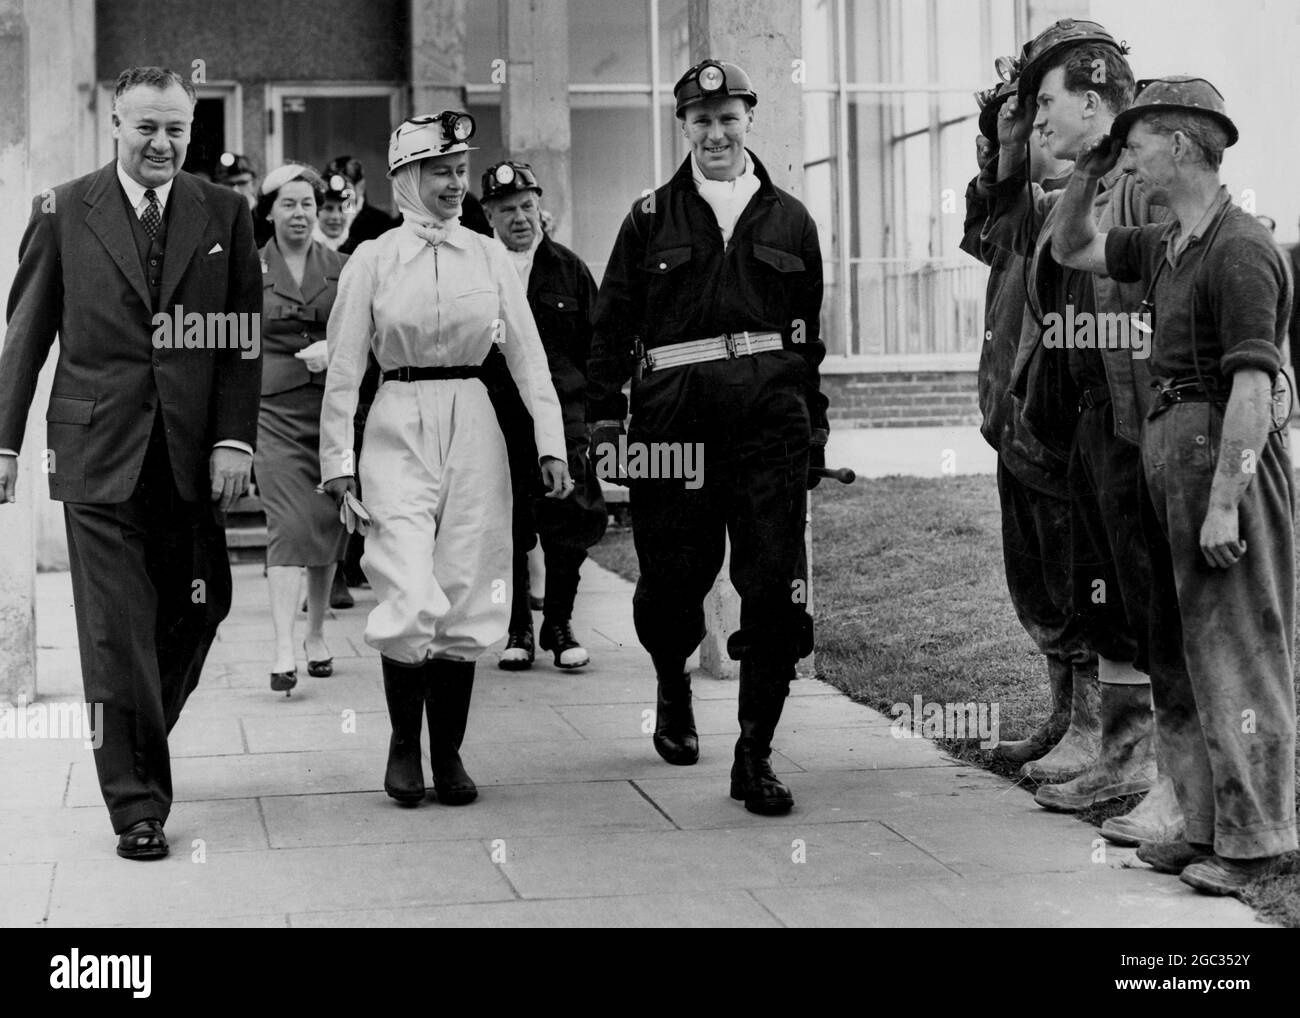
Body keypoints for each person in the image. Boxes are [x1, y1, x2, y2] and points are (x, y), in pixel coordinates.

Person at [0, 67, 262, 859]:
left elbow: (240, 337)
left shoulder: (224, 212)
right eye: (146, 127)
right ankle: (137, 803)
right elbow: (26, 335)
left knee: (202, 606)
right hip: (96, 452)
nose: (162, 143)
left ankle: (137, 733)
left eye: (176, 129)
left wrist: (234, 438)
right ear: (115, 124)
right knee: (115, 634)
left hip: (188, 456)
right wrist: (5, 442)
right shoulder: (62, 210)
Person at [1053, 77, 1296, 896]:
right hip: (1169, 453)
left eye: (1137, 144)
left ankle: (1256, 843)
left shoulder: (1241, 248)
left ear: (1184, 145)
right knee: (1181, 653)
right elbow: (1071, 248)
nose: (1128, 160)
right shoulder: (1166, 241)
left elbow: (1255, 389)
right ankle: (1201, 825)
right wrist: (1087, 174)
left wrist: (1225, 502)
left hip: (1223, 461)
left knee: (1237, 656)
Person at [587, 59, 827, 816]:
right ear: (684, 126)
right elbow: (610, 330)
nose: (716, 133)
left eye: (728, 118)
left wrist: (813, 432)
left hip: (768, 429)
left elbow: (805, 336)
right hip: (672, 428)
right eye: (702, 120)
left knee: (773, 591)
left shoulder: (791, 219)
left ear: (748, 118)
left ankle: (754, 755)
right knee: (670, 583)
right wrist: (605, 424)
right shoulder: (648, 218)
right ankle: (672, 682)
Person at [318, 112, 571, 808]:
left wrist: (550, 443)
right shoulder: (372, 259)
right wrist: (337, 458)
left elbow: (528, 357)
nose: (456, 184)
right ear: (406, 177)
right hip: (396, 418)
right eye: (441, 172)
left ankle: (449, 752)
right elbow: (344, 367)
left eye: (461, 171)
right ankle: (404, 746)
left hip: (473, 418)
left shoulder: (488, 256)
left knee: (468, 580)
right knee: (404, 580)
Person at [981, 21, 1184, 845]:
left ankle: (1166, 776)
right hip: (1089, 420)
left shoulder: (1145, 180)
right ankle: (1119, 753)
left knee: (1151, 601)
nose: (1038, 122)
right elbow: (1026, 242)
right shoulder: (1084, 183)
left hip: (1140, 420)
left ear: (1094, 98)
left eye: (1047, 104)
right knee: (1107, 592)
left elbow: (1190, 289)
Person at [961, 90, 1095, 767]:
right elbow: (986, 215)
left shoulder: (1074, 210)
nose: (1002, 152)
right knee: (1037, 587)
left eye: (1025, 130)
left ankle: (1093, 729)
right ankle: (1062, 718)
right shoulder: (1016, 214)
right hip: (1011, 431)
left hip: (1056, 436)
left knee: (1077, 587)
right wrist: (999, 148)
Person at [479, 160, 606, 670]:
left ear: (540, 207)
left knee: (569, 519)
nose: (520, 218)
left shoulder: (569, 269)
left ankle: (559, 623)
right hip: (497, 415)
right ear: (489, 215)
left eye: (527, 206)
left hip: (565, 415)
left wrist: (592, 416)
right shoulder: (478, 269)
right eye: (507, 209)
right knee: (507, 525)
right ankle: (517, 629)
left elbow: (595, 349)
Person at [254, 164, 350, 695]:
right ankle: (282, 648)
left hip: (329, 411)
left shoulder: (344, 267)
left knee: (325, 520)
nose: (299, 213)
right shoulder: (247, 269)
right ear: (269, 212)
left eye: (307, 204)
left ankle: (315, 634)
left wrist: (334, 350)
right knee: (288, 525)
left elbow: (367, 330)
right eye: (288, 204)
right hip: (271, 412)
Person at [323, 155, 398, 254]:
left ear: (360, 187)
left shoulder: (381, 223)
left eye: (343, 184)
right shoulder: (317, 217)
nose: (336, 190)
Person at [213, 151, 270, 246]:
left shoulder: (267, 219)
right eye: (229, 184)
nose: (235, 190)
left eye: (242, 183)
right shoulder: (215, 223)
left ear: (254, 183)